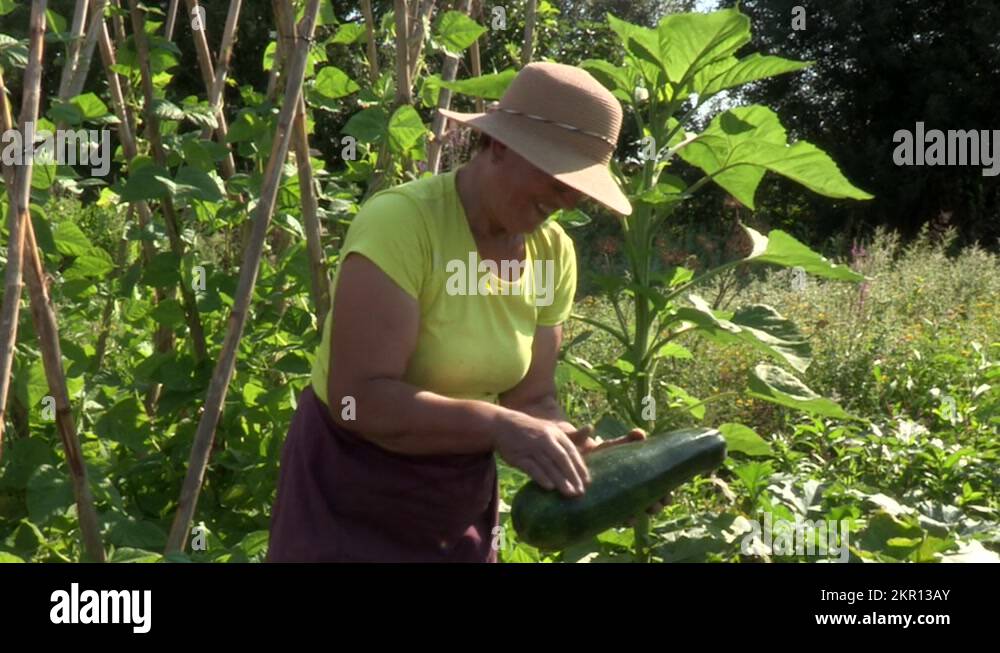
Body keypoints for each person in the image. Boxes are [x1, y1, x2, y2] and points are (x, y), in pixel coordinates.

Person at [266, 62, 667, 563]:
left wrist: (583, 462)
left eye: (579, 186)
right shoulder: (403, 223)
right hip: (348, 487)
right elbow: (360, 399)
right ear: (500, 144)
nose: (567, 200)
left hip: (455, 500)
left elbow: (532, 398)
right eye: (559, 176)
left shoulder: (553, 253)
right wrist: (498, 427)